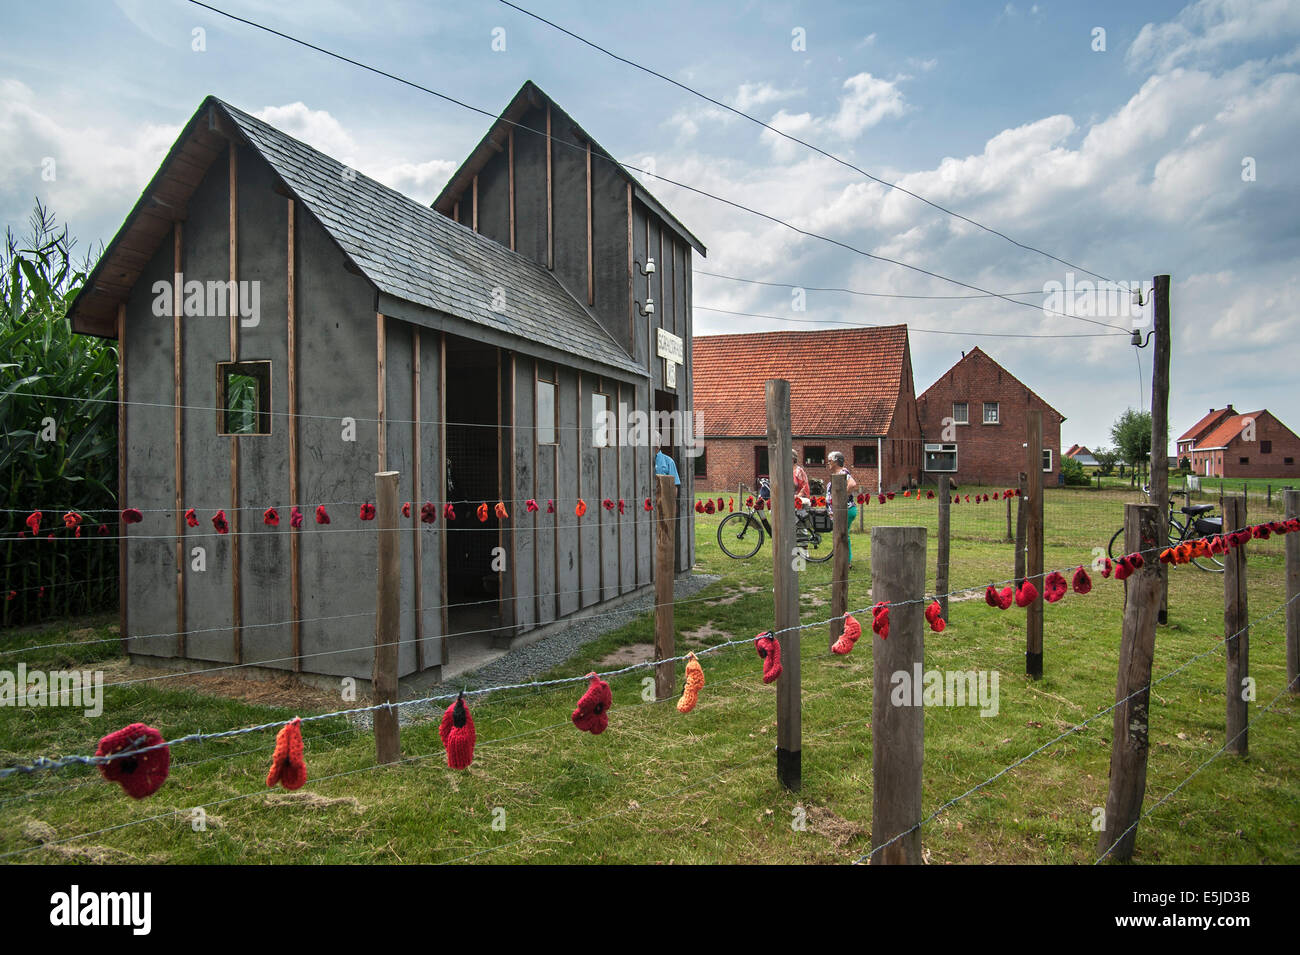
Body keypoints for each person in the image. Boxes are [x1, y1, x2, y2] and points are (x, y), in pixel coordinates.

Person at [826, 450, 860, 562]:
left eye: (830, 460)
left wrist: (841, 499)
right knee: (841, 534)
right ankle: (842, 558)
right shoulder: (837, 474)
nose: (828, 463)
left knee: (843, 534)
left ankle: (846, 561)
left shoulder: (843, 472)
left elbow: (853, 485)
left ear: (836, 462)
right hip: (840, 510)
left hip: (845, 509)